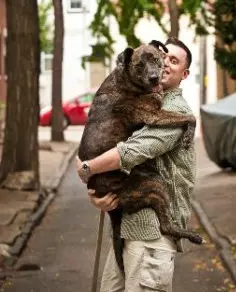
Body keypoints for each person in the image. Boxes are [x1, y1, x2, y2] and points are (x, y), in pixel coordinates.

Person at [77, 37, 196, 292]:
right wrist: (99, 197)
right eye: (163, 57)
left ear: (184, 74)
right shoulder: (146, 100)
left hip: (152, 235)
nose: (164, 64)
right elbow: (103, 139)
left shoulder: (175, 110)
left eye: (173, 61)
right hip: (130, 230)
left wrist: (87, 169)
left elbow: (130, 152)